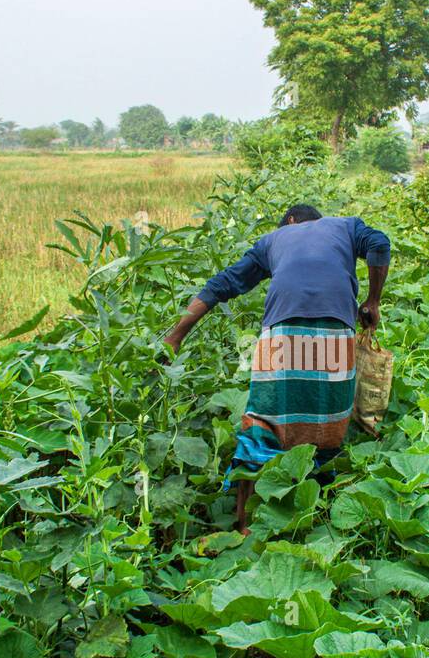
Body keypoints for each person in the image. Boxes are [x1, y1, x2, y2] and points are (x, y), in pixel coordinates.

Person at [163, 204, 391, 533]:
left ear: (291, 221)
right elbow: (380, 245)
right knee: (327, 425)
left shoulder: (273, 239)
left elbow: (223, 284)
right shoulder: (347, 226)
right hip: (335, 335)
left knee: (264, 422)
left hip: (282, 335)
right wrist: (372, 301)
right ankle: (320, 515)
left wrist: (175, 336)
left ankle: (244, 525)